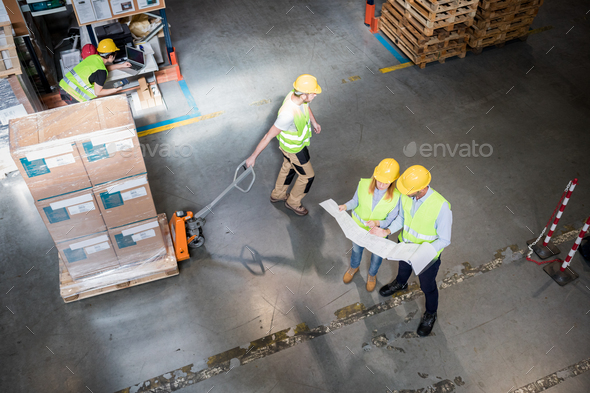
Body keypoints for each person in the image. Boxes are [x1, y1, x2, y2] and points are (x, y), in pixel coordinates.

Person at [370, 165, 452, 336]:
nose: (404, 193)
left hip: (427, 257)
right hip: (404, 247)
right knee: (403, 270)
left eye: (408, 191)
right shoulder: (407, 195)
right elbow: (402, 218)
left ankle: (431, 313)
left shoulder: (441, 207)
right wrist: (387, 231)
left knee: (427, 286)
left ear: (422, 189)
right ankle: (401, 283)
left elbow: (444, 239)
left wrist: (422, 252)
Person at [245, 74, 322, 216]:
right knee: (307, 177)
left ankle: (278, 194)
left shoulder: (296, 96)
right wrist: (253, 157)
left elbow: (306, 107)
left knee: (288, 166)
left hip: (289, 147)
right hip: (294, 149)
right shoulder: (287, 114)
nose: (315, 95)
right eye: (313, 93)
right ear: (304, 95)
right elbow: (268, 136)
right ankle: (293, 202)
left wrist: (314, 122)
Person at [338, 159, 401, 291]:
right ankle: (354, 267)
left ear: (393, 181)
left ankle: (372, 275)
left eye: (386, 182)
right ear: (375, 176)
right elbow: (355, 201)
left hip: (379, 232)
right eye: (379, 180)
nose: (382, 184)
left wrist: (378, 223)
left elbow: (391, 218)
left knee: (377, 257)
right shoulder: (363, 184)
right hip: (359, 229)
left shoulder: (396, 197)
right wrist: (345, 206)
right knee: (356, 250)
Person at [59, 39, 132, 104]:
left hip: (63, 86)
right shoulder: (102, 72)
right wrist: (115, 90)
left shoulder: (93, 57)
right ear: (110, 56)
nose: (115, 55)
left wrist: (121, 65)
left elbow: (102, 68)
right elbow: (98, 92)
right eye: (115, 53)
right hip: (72, 96)